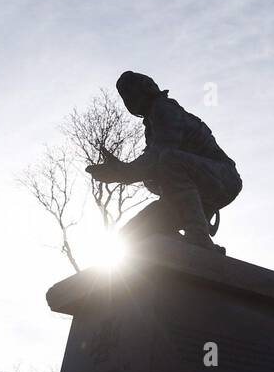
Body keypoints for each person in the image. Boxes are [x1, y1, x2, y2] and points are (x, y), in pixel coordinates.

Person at [85, 71, 242, 253]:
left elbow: (160, 157)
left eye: (131, 93)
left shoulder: (164, 109)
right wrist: (130, 173)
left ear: (144, 89)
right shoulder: (151, 125)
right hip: (182, 198)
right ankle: (175, 244)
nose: (130, 101)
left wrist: (124, 172)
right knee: (128, 236)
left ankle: (199, 235)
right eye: (126, 97)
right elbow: (153, 170)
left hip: (223, 179)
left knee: (168, 159)